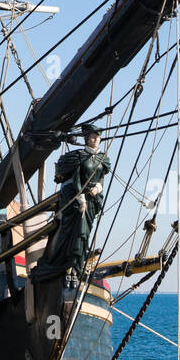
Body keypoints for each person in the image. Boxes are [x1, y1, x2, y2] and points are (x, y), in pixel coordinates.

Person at [33, 121, 111, 284]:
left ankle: (78, 266)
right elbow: (75, 180)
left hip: (93, 200)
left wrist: (98, 187)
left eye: (97, 137)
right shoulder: (79, 157)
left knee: (85, 235)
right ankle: (71, 266)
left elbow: (101, 179)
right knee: (77, 233)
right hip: (78, 200)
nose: (95, 140)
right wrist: (81, 198)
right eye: (92, 137)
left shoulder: (103, 159)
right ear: (86, 139)